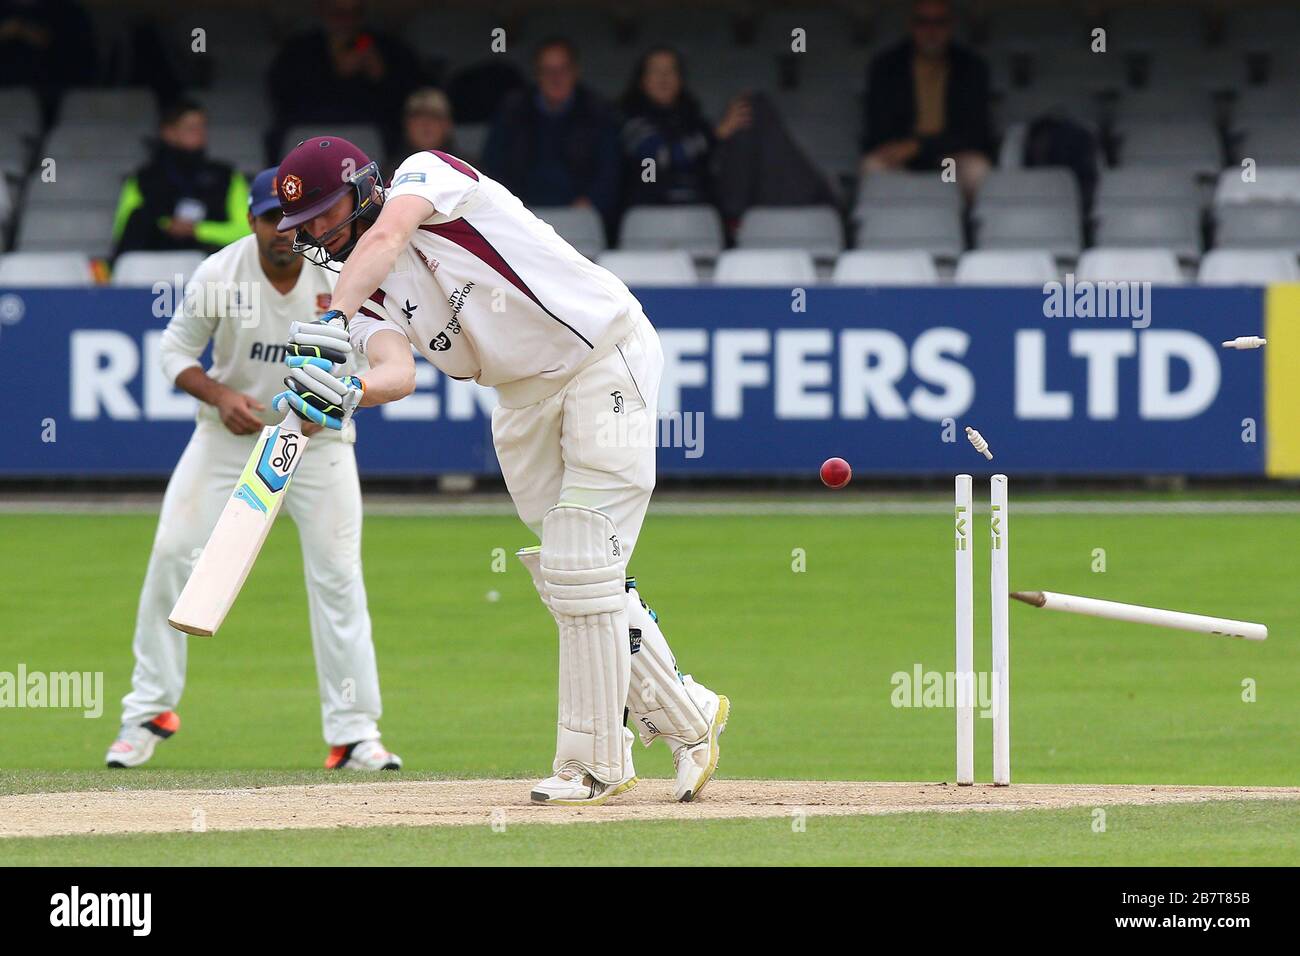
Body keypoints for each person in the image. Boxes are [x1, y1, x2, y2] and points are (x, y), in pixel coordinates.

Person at [271, 135, 729, 805]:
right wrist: (347, 394)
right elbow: (395, 373)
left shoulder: (425, 178)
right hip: (519, 400)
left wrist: (332, 315)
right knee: (573, 580)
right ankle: (689, 717)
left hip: (601, 356)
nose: (314, 232)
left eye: (321, 212)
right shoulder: (359, 294)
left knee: (581, 562)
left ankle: (592, 765)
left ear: (361, 187)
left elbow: (388, 239)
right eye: (300, 225)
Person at [105, 168, 401, 773]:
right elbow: (173, 352)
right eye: (269, 219)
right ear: (252, 221)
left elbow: (380, 353)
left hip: (319, 442)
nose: (281, 232)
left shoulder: (336, 273)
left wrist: (335, 401)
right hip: (228, 438)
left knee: (338, 576)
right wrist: (219, 397)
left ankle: (353, 734)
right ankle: (148, 712)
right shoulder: (221, 273)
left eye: (290, 221)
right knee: (172, 553)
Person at [482, 37, 621, 236]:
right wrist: (515, 205)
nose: (555, 77)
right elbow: (493, 164)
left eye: (563, 69)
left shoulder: (598, 111)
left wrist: (589, 204)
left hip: (582, 220)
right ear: (536, 74)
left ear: (576, 71)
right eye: (547, 70)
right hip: (520, 219)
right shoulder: (513, 110)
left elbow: (611, 171)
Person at [861, 0, 993, 199]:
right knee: (873, 167)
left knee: (977, 170)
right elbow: (877, 128)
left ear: (951, 26)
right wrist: (905, 149)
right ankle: (893, 227)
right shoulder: (887, 67)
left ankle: (964, 227)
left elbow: (976, 133)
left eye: (939, 23)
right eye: (922, 22)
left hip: (949, 159)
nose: (931, 30)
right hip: (903, 161)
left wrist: (920, 146)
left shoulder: (970, 67)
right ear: (911, 26)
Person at [266, 0, 421, 154]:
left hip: (372, 131)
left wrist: (380, 74)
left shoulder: (384, 47)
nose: (347, 21)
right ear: (321, 11)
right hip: (308, 130)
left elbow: (410, 96)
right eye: (338, 14)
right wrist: (333, 69)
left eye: (355, 13)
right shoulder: (299, 49)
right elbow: (282, 96)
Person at [111, 99, 250, 260]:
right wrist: (166, 225)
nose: (200, 133)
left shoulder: (227, 176)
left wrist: (198, 231)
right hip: (154, 270)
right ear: (169, 133)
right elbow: (124, 233)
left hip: (212, 267)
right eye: (191, 128)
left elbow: (247, 231)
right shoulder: (143, 179)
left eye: (202, 126)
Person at [618, 46, 717, 207]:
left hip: (699, 213)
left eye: (670, 71)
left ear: (680, 80)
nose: (664, 77)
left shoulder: (695, 121)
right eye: (655, 71)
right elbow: (658, 157)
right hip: (649, 214)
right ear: (642, 81)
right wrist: (713, 136)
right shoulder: (630, 120)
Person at [385, 88, 456, 180]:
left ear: (447, 124)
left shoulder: (468, 169)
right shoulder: (391, 171)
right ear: (406, 124)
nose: (426, 124)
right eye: (417, 116)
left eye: (434, 116)